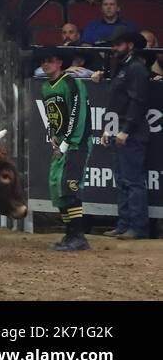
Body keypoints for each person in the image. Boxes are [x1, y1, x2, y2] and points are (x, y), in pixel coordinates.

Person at [100, 27, 150, 240]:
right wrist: (108, 128)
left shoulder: (135, 68)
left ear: (130, 45)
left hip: (130, 132)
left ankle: (137, 226)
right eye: (113, 44)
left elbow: (138, 101)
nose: (114, 48)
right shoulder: (122, 67)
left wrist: (125, 130)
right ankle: (124, 224)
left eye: (118, 44)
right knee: (122, 179)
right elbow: (117, 102)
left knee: (131, 180)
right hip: (118, 129)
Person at [38, 48, 89, 252]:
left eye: (49, 60)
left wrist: (67, 142)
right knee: (57, 186)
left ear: (59, 62)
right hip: (60, 144)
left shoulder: (71, 83)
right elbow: (50, 116)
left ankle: (78, 236)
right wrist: (52, 135)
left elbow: (77, 114)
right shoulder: (45, 88)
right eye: (43, 61)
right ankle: (70, 233)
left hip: (76, 143)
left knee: (69, 184)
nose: (45, 64)